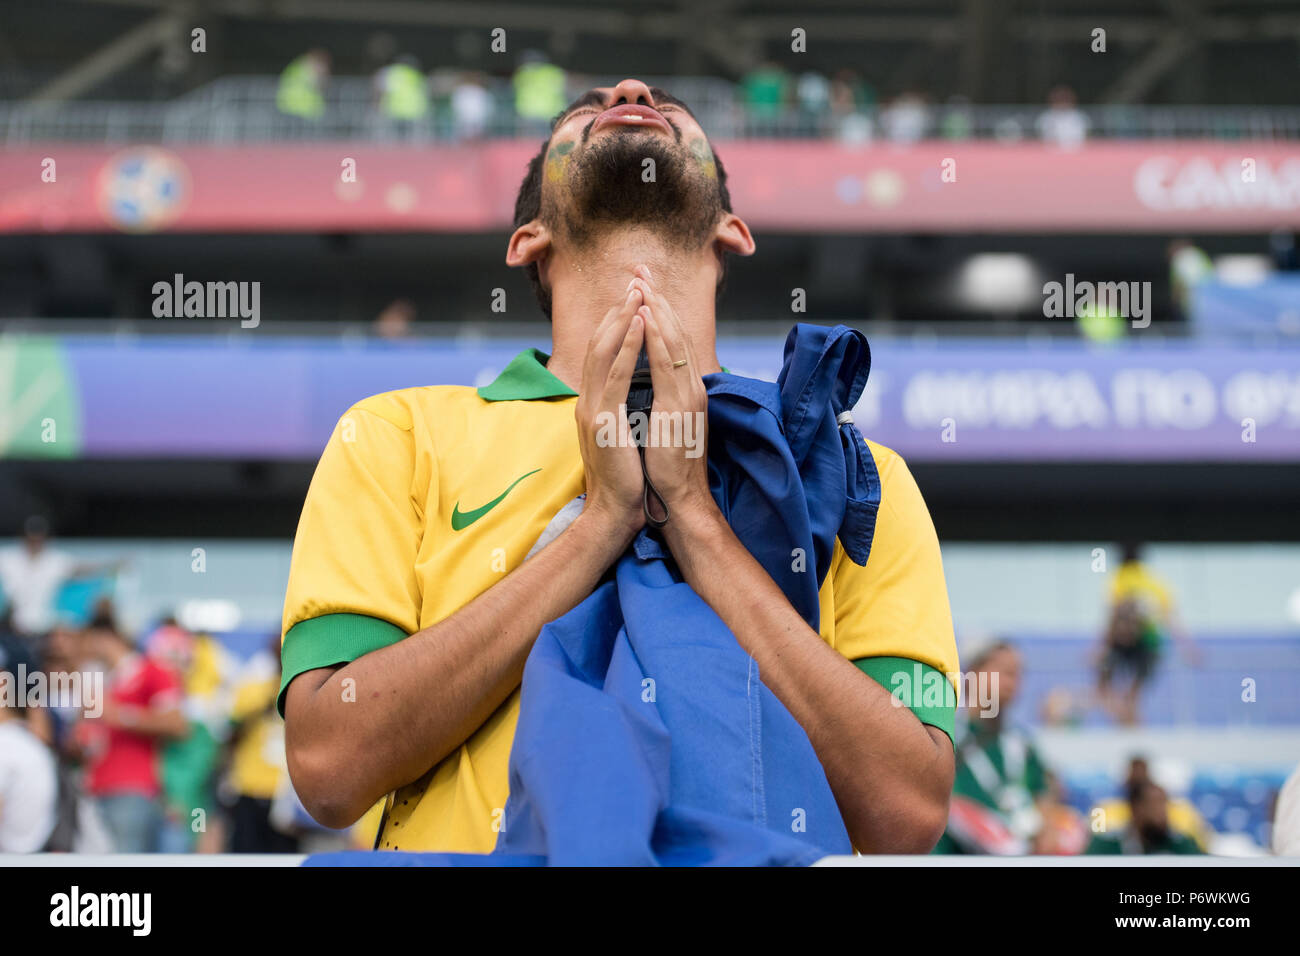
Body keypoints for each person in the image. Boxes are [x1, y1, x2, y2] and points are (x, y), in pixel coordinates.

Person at [281, 78, 959, 855]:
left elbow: (906, 813)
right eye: (586, 109)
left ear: (733, 230)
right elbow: (329, 766)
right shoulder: (395, 435)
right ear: (527, 238)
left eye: (670, 103)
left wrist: (694, 520)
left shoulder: (855, 473)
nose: (632, 90)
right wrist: (601, 525)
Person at [76, 610, 187, 852]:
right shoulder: (105, 681)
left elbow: (177, 723)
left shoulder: (151, 670)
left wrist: (121, 715)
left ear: (103, 638)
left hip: (132, 789)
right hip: (96, 790)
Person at [936, 641, 1062, 854]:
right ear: (974, 674)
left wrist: (1046, 829)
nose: (1013, 682)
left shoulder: (1022, 744)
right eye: (1006, 672)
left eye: (1018, 674)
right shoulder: (946, 737)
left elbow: (1043, 797)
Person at [1097, 542, 1198, 725]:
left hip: (1136, 643)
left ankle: (1127, 717)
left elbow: (1111, 617)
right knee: (1131, 694)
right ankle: (1128, 715)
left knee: (1109, 686)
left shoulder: (1120, 578)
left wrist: (1101, 647)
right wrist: (1188, 648)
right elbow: (1171, 619)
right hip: (1149, 645)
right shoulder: (1156, 581)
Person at [0, 516, 121, 645]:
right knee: (19, 662)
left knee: (33, 662)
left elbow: (84, 568)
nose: (35, 540)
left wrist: (114, 564)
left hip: (43, 628)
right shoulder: (8, 558)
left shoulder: (55, 560)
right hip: (12, 627)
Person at [1086, 779, 1203, 855]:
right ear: (1135, 808)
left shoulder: (1182, 843)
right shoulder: (1105, 844)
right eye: (1154, 804)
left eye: (1164, 803)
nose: (1161, 812)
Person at [276, 49, 330, 122]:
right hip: (299, 109)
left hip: (292, 108)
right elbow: (318, 84)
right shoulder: (306, 70)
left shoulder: (296, 68)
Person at [1036, 85, 1088, 150]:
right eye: (1058, 98)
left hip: (1076, 152)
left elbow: (1086, 138)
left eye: (1065, 98)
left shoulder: (1080, 117)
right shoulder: (1045, 118)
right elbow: (1040, 138)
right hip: (1050, 153)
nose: (1062, 101)